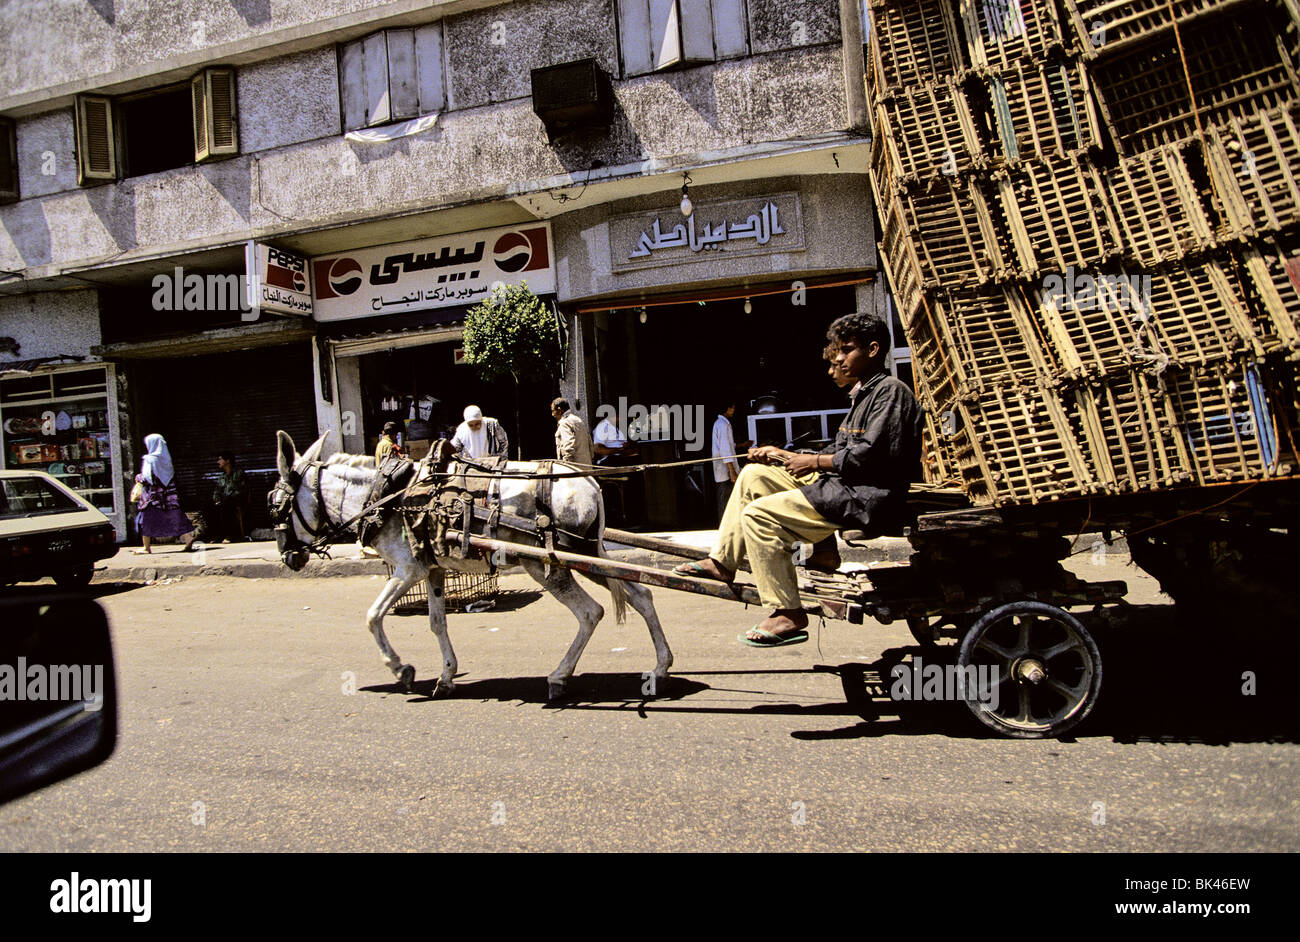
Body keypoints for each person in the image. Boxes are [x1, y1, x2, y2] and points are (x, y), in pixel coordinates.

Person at [674, 312, 922, 647]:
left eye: (847, 350)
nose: (837, 358)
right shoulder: (862, 396)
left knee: (758, 516)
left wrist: (813, 461)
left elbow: (869, 457)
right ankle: (723, 562)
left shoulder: (891, 393)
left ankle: (787, 611)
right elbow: (839, 449)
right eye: (838, 351)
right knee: (753, 476)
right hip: (844, 488)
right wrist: (782, 454)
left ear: (873, 350)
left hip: (865, 498)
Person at [132, 433, 196, 554]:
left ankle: (146, 547)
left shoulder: (149, 459)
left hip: (153, 497)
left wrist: (138, 478)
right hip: (169, 497)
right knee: (175, 516)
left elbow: (147, 478)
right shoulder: (166, 458)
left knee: (145, 520)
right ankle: (188, 538)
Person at [711, 401, 740, 523]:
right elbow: (725, 449)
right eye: (733, 408)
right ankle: (724, 527)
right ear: (728, 408)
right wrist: (732, 471)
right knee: (725, 500)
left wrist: (742, 444)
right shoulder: (722, 425)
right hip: (725, 471)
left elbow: (729, 445)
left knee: (727, 499)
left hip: (726, 468)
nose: (733, 410)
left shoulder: (722, 424)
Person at [209, 451, 248, 543]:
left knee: (226, 506)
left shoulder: (239, 473)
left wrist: (229, 498)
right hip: (224, 501)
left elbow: (242, 490)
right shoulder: (222, 477)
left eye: (220, 459)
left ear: (227, 461)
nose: (218, 462)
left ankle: (230, 536)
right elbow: (217, 491)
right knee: (210, 508)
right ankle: (217, 536)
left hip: (237, 501)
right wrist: (216, 499)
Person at [552, 397, 594, 466]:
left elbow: (568, 447)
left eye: (553, 411)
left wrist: (567, 466)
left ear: (559, 410)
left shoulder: (564, 423)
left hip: (575, 471)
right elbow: (590, 445)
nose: (553, 414)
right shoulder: (578, 420)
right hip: (587, 467)